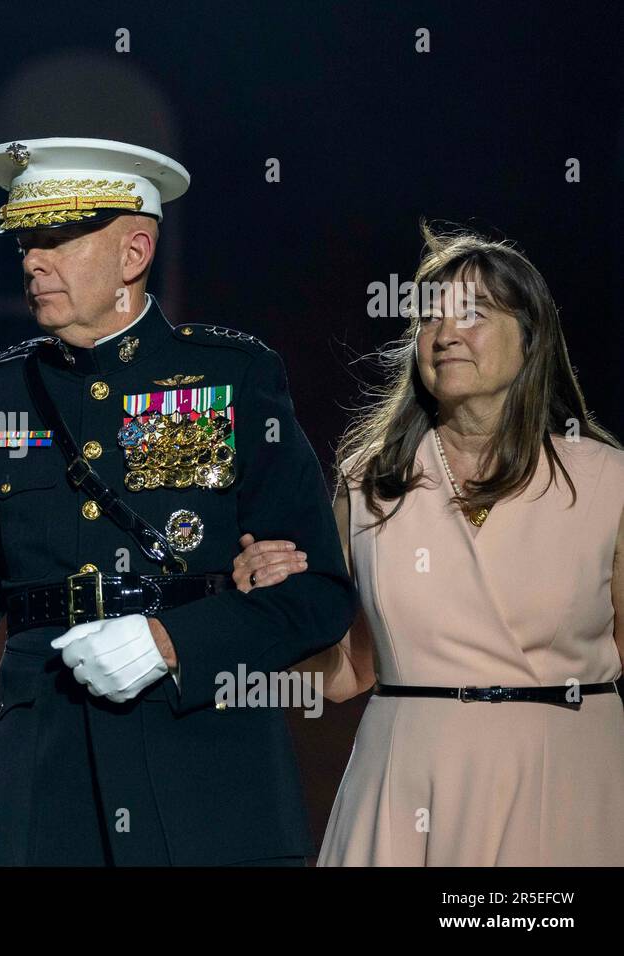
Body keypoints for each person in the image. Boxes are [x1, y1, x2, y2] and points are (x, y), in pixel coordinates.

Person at [0, 138, 358, 866]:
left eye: (57, 237)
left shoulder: (229, 379)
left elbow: (318, 597)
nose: (31, 260)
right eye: (24, 240)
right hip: (43, 778)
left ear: (135, 250)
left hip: (202, 769)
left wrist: (173, 642)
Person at [232, 224, 624, 865]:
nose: (444, 334)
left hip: (566, 783)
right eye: (427, 318)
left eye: (473, 314)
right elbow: (346, 672)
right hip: (408, 789)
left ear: (531, 338)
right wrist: (270, 611)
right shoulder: (369, 483)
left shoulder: (607, 481)